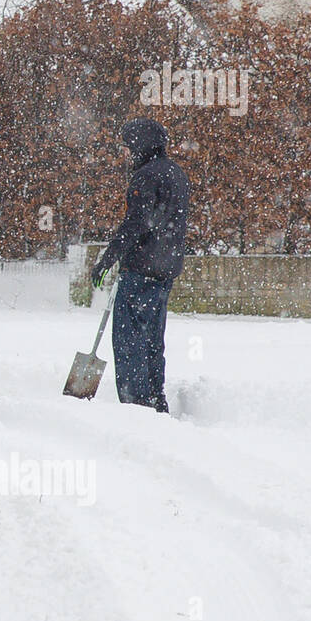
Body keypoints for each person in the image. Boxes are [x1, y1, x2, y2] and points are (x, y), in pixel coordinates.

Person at [90, 117, 190, 414]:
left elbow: (136, 223)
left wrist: (107, 260)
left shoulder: (146, 176)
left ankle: (136, 407)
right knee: (152, 340)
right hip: (166, 268)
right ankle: (156, 399)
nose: (126, 152)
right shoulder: (177, 174)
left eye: (128, 145)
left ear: (141, 144)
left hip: (141, 268)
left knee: (128, 339)